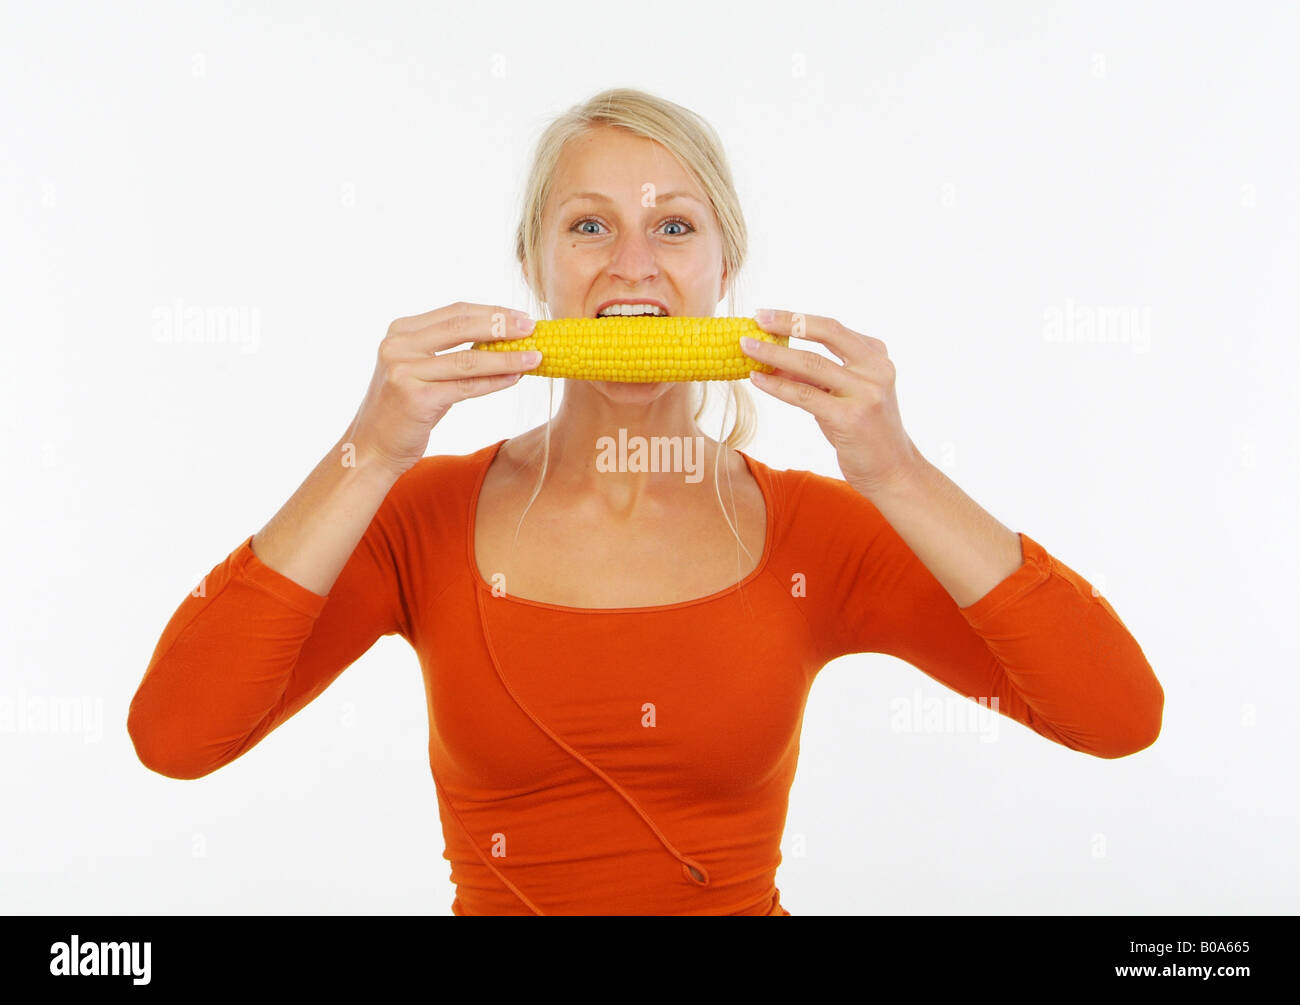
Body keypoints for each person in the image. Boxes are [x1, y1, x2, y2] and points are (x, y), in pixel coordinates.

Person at [127, 87, 1164, 916]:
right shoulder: (420, 518)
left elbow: (1116, 717)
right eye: (589, 226)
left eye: (673, 225)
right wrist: (372, 450)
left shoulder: (818, 533)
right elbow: (177, 738)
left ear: (724, 267)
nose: (632, 265)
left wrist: (897, 472)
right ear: (534, 262)